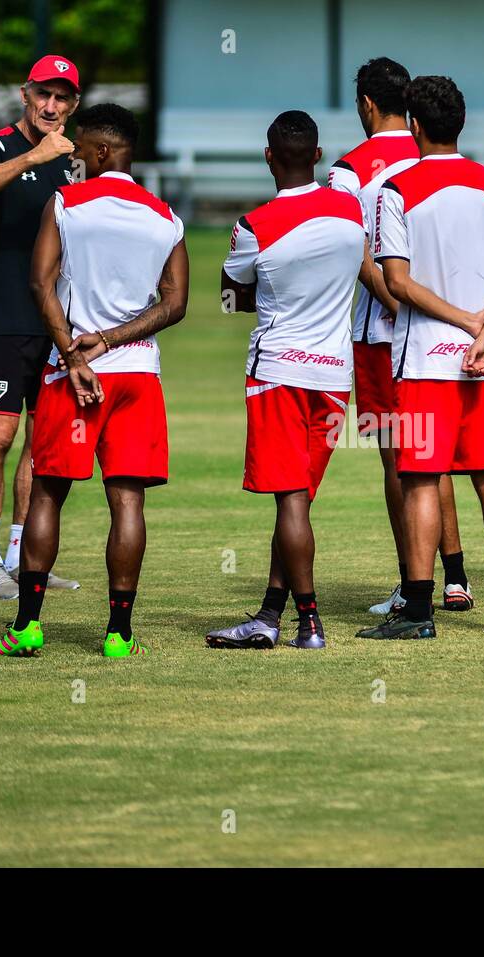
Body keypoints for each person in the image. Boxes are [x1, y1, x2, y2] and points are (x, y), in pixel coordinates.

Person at [0, 104, 188, 657]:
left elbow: (39, 283)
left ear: (103, 151)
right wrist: (117, 338)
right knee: (127, 503)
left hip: (72, 376)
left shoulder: (67, 203)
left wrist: (78, 354)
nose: (73, 158)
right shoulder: (164, 216)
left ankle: (27, 627)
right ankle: (119, 635)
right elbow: (175, 304)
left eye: (79, 149)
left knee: (48, 495)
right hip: (138, 378)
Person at [358, 75, 484, 640]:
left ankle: (419, 611)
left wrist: (461, 321)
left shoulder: (394, 189)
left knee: (421, 482)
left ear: (414, 125)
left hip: (427, 363)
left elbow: (399, 282)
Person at [205, 111, 366, 650]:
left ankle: (310, 623)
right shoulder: (350, 208)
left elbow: (230, 296)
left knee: (291, 502)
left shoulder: (254, 226)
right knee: (297, 500)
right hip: (334, 376)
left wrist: (265, 294)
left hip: (277, 371)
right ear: (317, 156)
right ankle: (270, 615)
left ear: (269, 156)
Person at [328, 57, 474, 616]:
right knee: (434, 455)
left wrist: (397, 303)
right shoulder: (433, 152)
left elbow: (356, 253)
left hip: (381, 335)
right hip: (449, 329)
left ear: (366, 104)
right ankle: (455, 575)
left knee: (401, 461)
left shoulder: (349, 170)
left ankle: (411, 582)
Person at [0, 54, 82, 598]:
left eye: (62, 97)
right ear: (25, 95)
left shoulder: (75, 163)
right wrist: (36, 154)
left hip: (58, 320)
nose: (51, 105)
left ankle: (20, 559)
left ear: (74, 105)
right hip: (3, 314)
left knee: (42, 440)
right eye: (42, 95)